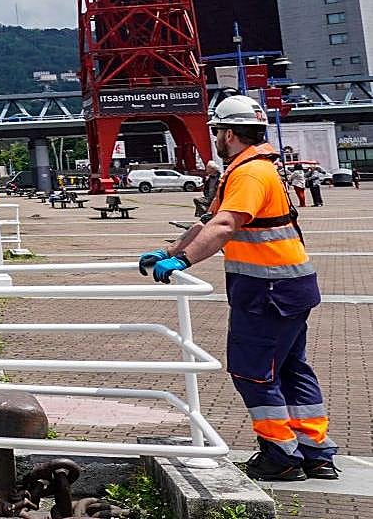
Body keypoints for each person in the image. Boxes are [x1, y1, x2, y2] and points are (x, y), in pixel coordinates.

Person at [138, 93, 336, 482]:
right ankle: (315, 451)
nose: (214, 138)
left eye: (215, 131)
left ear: (228, 133)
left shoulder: (248, 173)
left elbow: (226, 225)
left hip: (268, 291)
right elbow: (210, 222)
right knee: (293, 367)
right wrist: (169, 249)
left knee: (253, 372)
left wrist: (183, 261)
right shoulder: (256, 168)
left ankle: (280, 455)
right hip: (291, 286)